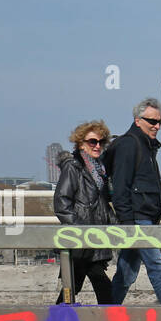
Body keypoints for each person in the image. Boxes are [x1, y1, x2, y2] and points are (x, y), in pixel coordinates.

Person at [108, 98, 161, 304]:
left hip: (145, 219)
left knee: (126, 273)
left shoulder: (146, 145)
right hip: (138, 221)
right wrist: (129, 225)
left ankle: (107, 314)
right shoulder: (130, 144)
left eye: (159, 122)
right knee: (159, 269)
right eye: (151, 121)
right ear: (138, 120)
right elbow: (121, 188)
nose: (157, 126)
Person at [53, 120, 115, 304]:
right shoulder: (74, 167)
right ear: (81, 143)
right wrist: (78, 229)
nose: (97, 146)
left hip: (94, 239)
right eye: (92, 142)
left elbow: (101, 205)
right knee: (98, 284)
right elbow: (61, 202)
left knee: (74, 286)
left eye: (101, 142)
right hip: (82, 240)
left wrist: (119, 226)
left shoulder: (98, 170)